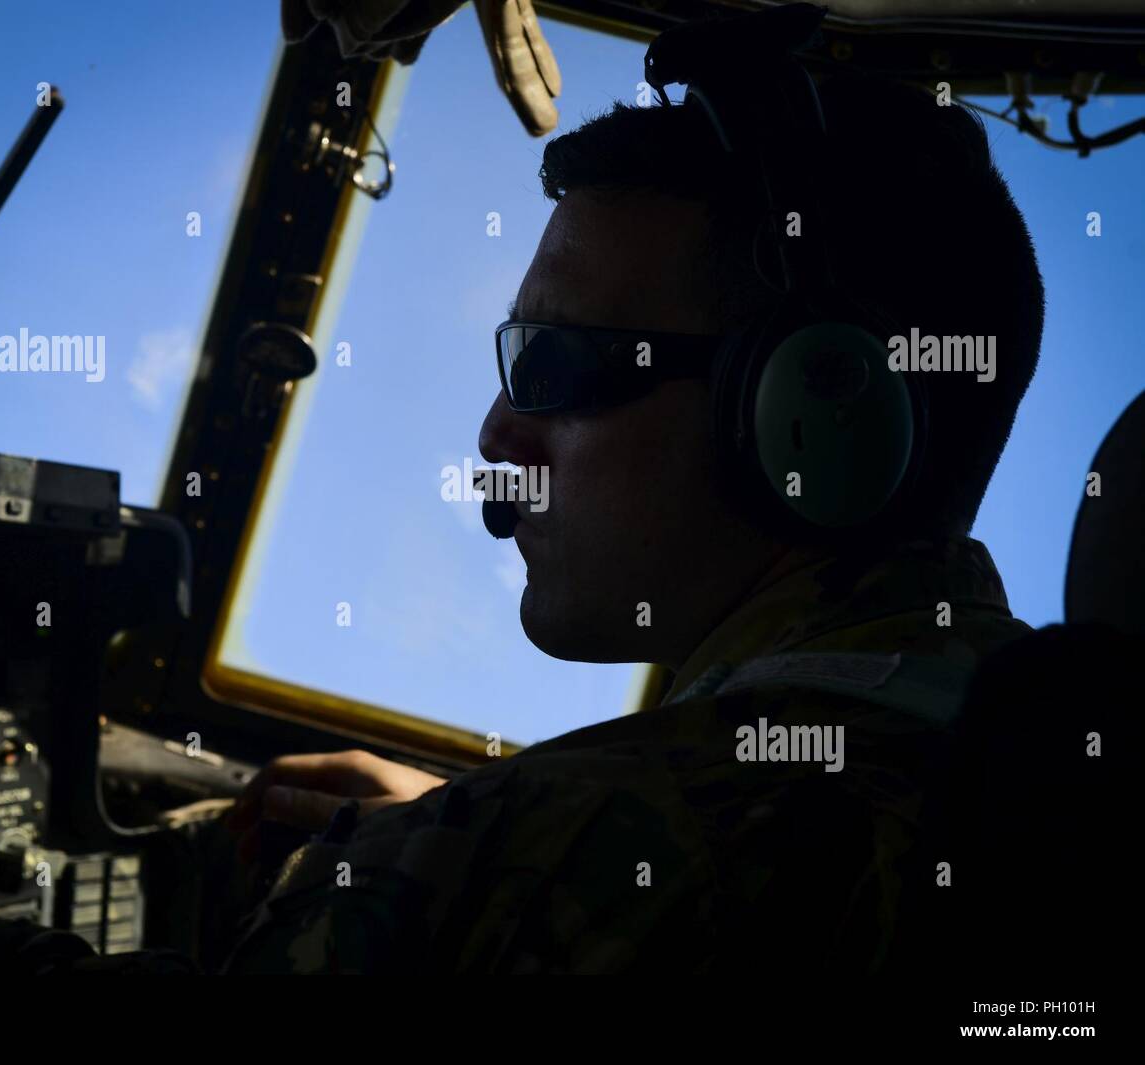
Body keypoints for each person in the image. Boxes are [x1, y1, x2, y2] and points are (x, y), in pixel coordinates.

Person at [223, 67, 1045, 974]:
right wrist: (509, 833)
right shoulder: (1029, 769)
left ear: (808, 413)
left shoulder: (507, 868)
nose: (497, 431)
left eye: (554, 362)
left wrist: (465, 858)